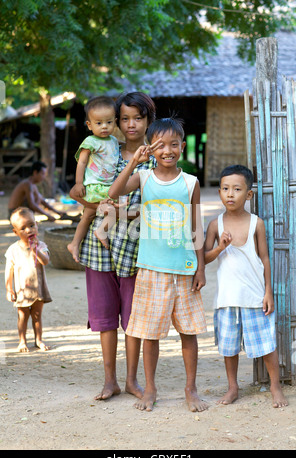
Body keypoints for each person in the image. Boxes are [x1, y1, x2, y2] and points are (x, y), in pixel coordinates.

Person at [108, 117, 207, 413]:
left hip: (185, 269)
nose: (168, 150)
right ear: (151, 147)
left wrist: (201, 267)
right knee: (150, 334)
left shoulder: (191, 183)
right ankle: (149, 388)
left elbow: (196, 226)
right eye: (160, 145)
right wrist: (134, 162)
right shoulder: (145, 177)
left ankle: (191, 388)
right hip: (151, 268)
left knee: (188, 332)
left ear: (183, 146)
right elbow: (114, 193)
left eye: (174, 144)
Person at [71, 92, 157, 401]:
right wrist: (88, 200)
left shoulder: (160, 157)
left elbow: (161, 207)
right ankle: (110, 381)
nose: (131, 124)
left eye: (138, 118)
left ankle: (133, 380)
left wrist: (120, 211)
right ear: (116, 121)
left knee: (134, 317)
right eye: (125, 118)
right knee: (105, 315)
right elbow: (79, 193)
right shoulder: (105, 150)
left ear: (149, 119)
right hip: (101, 245)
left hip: (137, 248)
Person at [204, 164, 288, 408]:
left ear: (248, 194)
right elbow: (205, 258)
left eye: (237, 189)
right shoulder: (215, 225)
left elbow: (264, 258)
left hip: (253, 296)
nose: (230, 194)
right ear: (219, 191)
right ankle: (233, 387)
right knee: (229, 347)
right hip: (227, 298)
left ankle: (275, 385)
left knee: (265, 343)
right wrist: (221, 247)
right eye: (225, 188)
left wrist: (268, 292)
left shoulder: (256, 224)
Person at [67, 96, 120, 261]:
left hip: (108, 186)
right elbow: (82, 162)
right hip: (95, 186)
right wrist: (78, 183)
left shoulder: (114, 141)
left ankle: (75, 243)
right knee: (114, 208)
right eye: (98, 123)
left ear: (115, 122)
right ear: (89, 125)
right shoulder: (90, 141)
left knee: (89, 214)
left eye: (109, 122)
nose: (104, 126)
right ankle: (99, 232)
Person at [5, 207, 52, 352]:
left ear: (37, 224)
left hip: (38, 289)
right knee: (22, 316)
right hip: (22, 291)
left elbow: (45, 261)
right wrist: (9, 289)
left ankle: (38, 339)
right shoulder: (13, 250)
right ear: (16, 232)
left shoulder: (41, 246)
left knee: (37, 316)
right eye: (23, 228)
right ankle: (22, 341)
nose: (29, 230)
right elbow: (9, 270)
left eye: (32, 225)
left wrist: (36, 250)